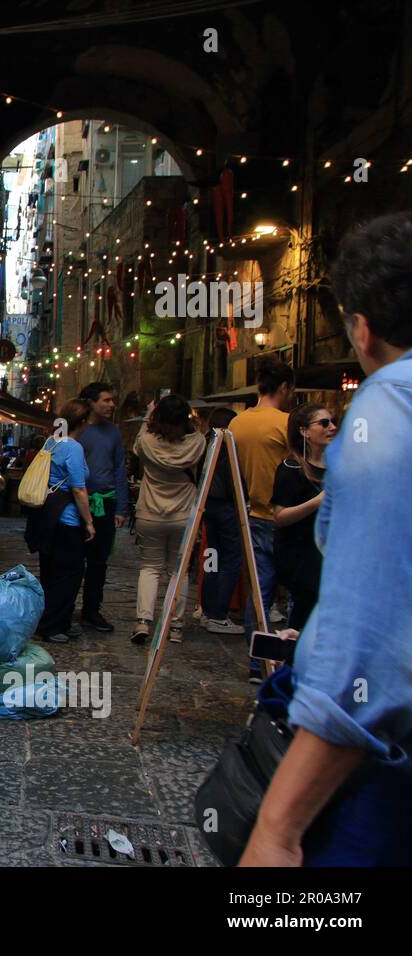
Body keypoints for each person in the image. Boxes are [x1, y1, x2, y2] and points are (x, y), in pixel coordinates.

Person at [241, 211, 412, 867]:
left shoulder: (388, 410)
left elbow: (367, 647)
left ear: (363, 330)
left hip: (380, 774)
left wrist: (277, 829)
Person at [228, 356, 294, 680]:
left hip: (252, 513)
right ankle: (292, 664)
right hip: (288, 517)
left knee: (260, 595)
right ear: (284, 387)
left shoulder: (236, 424)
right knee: (298, 590)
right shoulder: (286, 423)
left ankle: (257, 664)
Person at [129, 395, 206, 645]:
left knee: (150, 568)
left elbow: (137, 444)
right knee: (177, 571)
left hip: (150, 513)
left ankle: (143, 622)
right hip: (184, 514)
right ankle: (175, 626)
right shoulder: (197, 443)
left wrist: (148, 415)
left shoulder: (148, 442)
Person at [27, 399, 95, 643]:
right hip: (66, 520)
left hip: (48, 518)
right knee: (70, 572)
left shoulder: (51, 441)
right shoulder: (73, 447)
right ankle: (54, 625)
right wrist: (88, 522)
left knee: (51, 571)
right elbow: (79, 489)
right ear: (83, 421)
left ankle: (55, 621)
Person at [271, 404, 336, 631]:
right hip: (300, 556)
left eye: (332, 421)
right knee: (303, 614)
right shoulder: (291, 468)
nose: (332, 427)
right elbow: (279, 516)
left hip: (328, 552)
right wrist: (317, 502)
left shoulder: (336, 467)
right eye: (324, 423)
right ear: (304, 431)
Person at [76, 382, 129, 634]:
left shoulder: (114, 432)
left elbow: (120, 468)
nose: (111, 405)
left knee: (99, 562)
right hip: (77, 504)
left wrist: (121, 506)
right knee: (74, 560)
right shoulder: (77, 430)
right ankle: (63, 609)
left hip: (105, 503)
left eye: (112, 400)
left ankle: (91, 610)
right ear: (91, 402)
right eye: (106, 400)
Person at [197, 407, 244, 634]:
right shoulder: (227, 445)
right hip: (225, 506)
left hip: (208, 506)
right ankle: (217, 613)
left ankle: (207, 608)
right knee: (230, 559)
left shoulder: (205, 442)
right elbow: (230, 478)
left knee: (212, 556)